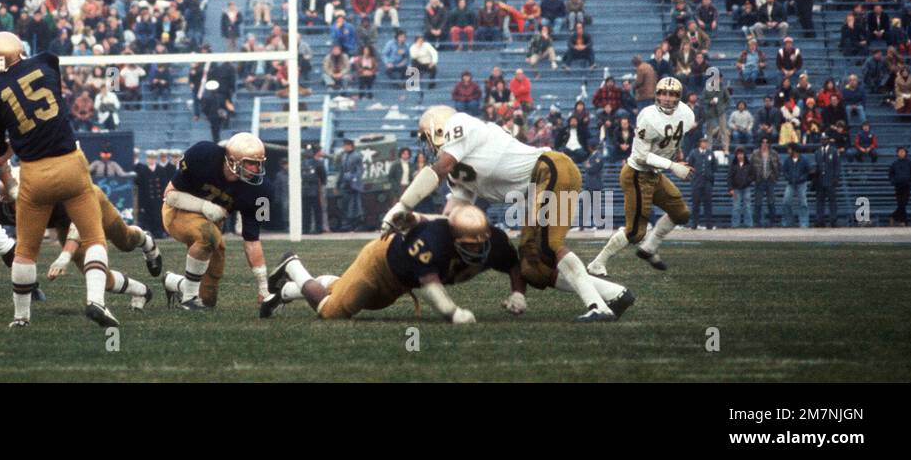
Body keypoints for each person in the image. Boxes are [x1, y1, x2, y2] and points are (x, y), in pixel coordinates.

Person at [382, 106, 634, 323]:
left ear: (437, 130)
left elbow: (440, 167)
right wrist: (413, 220)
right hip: (539, 184)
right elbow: (451, 220)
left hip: (551, 167)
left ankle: (597, 307)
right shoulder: (456, 174)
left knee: (548, 246)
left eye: (426, 139)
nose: (426, 147)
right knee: (533, 267)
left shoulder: (461, 124)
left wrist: (401, 205)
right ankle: (615, 295)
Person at [0, 32, 113, 330]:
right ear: (19, 50)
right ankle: (96, 300)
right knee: (93, 237)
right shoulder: (47, 62)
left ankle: (21, 317)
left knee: (25, 251)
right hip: (71, 163)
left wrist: (15, 144)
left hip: (33, 172)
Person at [259, 206, 507, 323]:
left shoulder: (487, 239)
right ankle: (293, 265)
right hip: (380, 265)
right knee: (332, 312)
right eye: (469, 243)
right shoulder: (432, 240)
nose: (475, 248)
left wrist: (519, 293)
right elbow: (430, 284)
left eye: (478, 243)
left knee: (350, 293)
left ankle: (285, 291)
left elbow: (513, 262)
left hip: (396, 279)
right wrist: (453, 314)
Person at [589, 77, 695, 275]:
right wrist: (672, 165)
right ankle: (597, 263)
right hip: (637, 174)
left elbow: (674, 138)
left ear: (679, 97)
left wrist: (676, 155)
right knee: (635, 233)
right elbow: (641, 156)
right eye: (663, 93)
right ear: (656, 95)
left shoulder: (686, 114)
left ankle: (649, 247)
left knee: (681, 213)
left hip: (655, 174)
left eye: (672, 94)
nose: (667, 98)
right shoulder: (648, 116)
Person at [159, 133, 275, 310]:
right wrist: (205, 207)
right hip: (179, 211)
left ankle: (174, 283)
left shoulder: (262, 190)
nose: (256, 169)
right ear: (231, 160)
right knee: (210, 235)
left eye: (259, 163)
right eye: (250, 163)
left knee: (207, 300)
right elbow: (170, 195)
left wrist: (263, 287)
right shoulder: (203, 154)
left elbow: (252, 240)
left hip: (212, 223)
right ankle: (188, 299)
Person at [687, 137, 717, 230]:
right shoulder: (694, 153)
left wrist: (710, 174)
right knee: (696, 204)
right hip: (697, 182)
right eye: (703, 142)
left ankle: (709, 224)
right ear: (700, 143)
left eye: (706, 142)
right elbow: (690, 165)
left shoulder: (710, 153)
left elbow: (715, 166)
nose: (704, 144)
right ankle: (694, 224)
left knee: (708, 204)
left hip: (707, 181)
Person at [780, 144, 811, 228]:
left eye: (789, 149)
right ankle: (788, 222)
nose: (788, 151)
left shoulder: (804, 159)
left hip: (801, 183)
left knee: (803, 203)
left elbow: (808, 171)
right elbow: (784, 171)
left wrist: (802, 178)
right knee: (786, 201)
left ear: (794, 150)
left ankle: (804, 223)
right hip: (791, 183)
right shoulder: (787, 160)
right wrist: (788, 178)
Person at [814, 137, 843, 228]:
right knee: (819, 202)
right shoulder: (817, 152)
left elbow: (837, 166)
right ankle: (820, 221)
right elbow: (816, 166)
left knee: (832, 202)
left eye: (825, 139)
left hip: (830, 181)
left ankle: (833, 221)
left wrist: (836, 178)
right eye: (822, 139)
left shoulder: (833, 151)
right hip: (820, 181)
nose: (823, 141)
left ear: (828, 140)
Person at [727, 147, 755, 227]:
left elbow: (753, 175)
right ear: (736, 155)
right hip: (736, 188)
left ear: (744, 155)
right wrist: (730, 188)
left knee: (747, 206)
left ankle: (749, 224)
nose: (740, 156)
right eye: (738, 154)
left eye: (741, 154)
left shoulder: (749, 164)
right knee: (736, 207)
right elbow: (729, 177)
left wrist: (748, 181)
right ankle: (735, 224)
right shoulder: (733, 164)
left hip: (746, 188)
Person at [890, 146, 911, 226]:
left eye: (903, 151)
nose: (901, 153)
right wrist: (893, 181)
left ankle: (893, 216)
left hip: (907, 186)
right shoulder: (894, 164)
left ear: (905, 153)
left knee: (904, 203)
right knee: (900, 204)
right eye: (900, 151)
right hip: (898, 186)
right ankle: (903, 222)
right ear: (897, 153)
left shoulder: (910, 163)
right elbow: (891, 174)